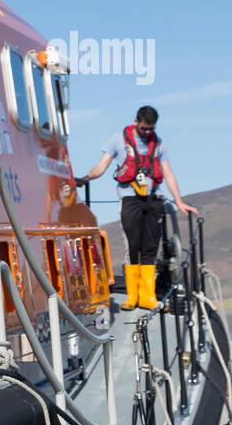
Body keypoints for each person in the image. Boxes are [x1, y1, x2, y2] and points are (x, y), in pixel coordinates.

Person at [75, 105, 197, 311]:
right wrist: (86, 179)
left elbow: (168, 173)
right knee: (132, 246)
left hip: (152, 200)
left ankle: (148, 296)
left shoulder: (159, 144)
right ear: (136, 122)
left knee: (150, 247)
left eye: (151, 129)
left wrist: (179, 200)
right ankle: (132, 296)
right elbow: (101, 166)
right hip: (129, 199)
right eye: (145, 128)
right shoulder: (117, 140)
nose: (148, 132)